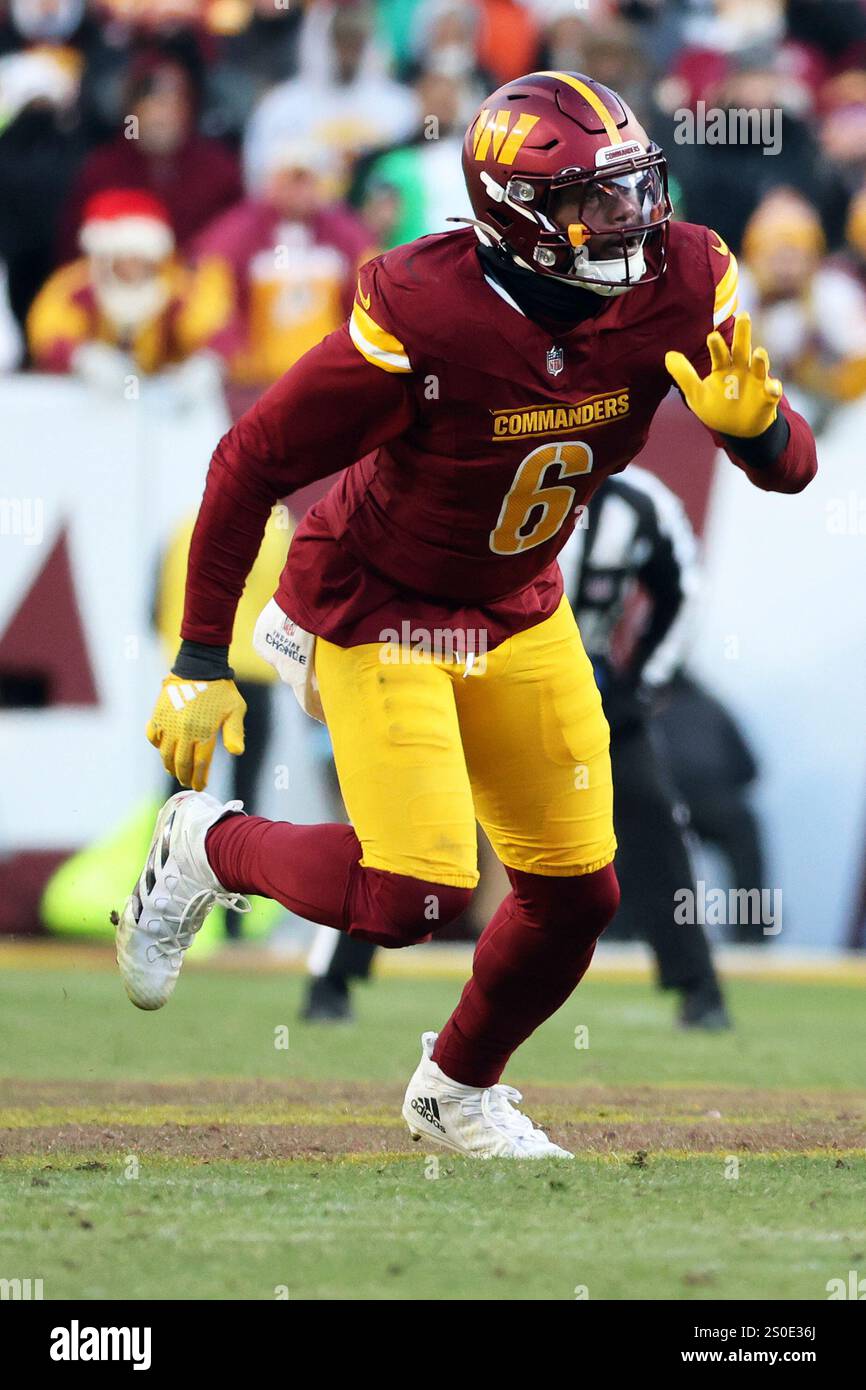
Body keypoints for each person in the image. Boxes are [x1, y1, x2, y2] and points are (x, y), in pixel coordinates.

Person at [116, 71, 816, 1160]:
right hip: (378, 603)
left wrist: (761, 430)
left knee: (576, 893)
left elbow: (790, 470)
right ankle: (206, 842)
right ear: (519, 220)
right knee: (416, 893)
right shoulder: (425, 309)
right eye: (597, 203)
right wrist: (201, 656)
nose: (632, 221)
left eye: (635, 191)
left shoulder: (683, 279)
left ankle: (453, 1093)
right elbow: (249, 459)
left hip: (517, 605)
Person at [28, 187, 232, 394]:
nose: (133, 265)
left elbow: (213, 326)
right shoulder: (77, 287)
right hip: (94, 396)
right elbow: (48, 332)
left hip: (164, 398)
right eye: (124, 256)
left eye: (140, 256)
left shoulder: (178, 288)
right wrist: (82, 358)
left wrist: (207, 362)